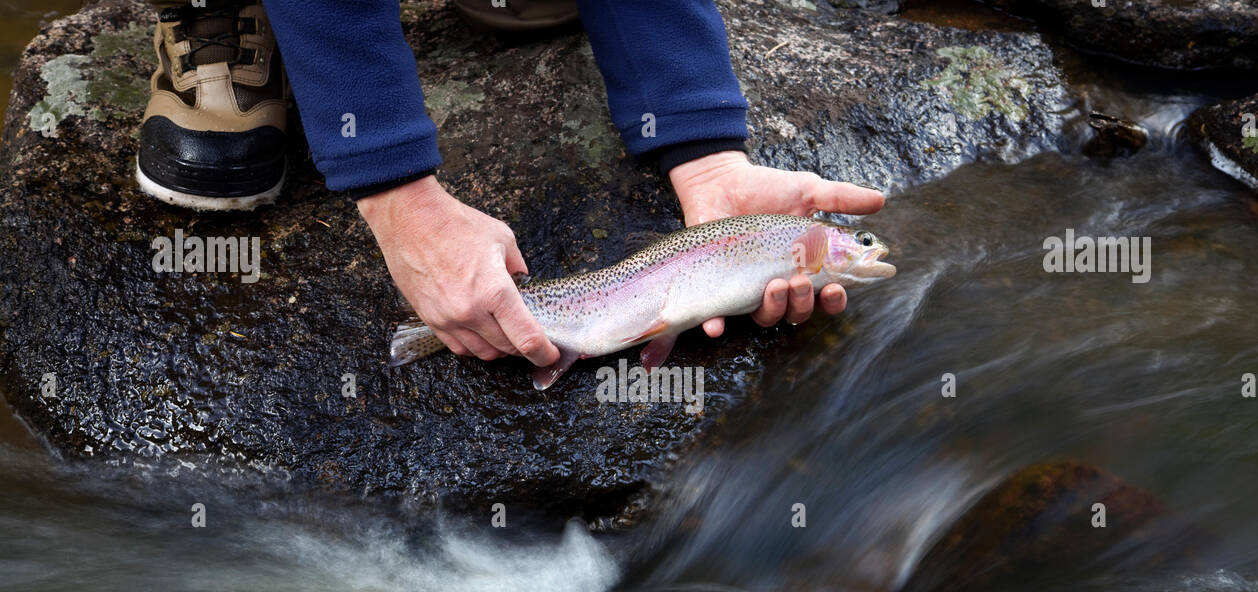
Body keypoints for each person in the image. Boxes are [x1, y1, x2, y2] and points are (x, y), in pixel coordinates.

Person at [135, 0, 884, 368]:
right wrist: (396, 191)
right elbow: (392, 184)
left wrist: (699, 142)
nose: (867, 249)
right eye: (861, 245)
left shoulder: (800, 246)